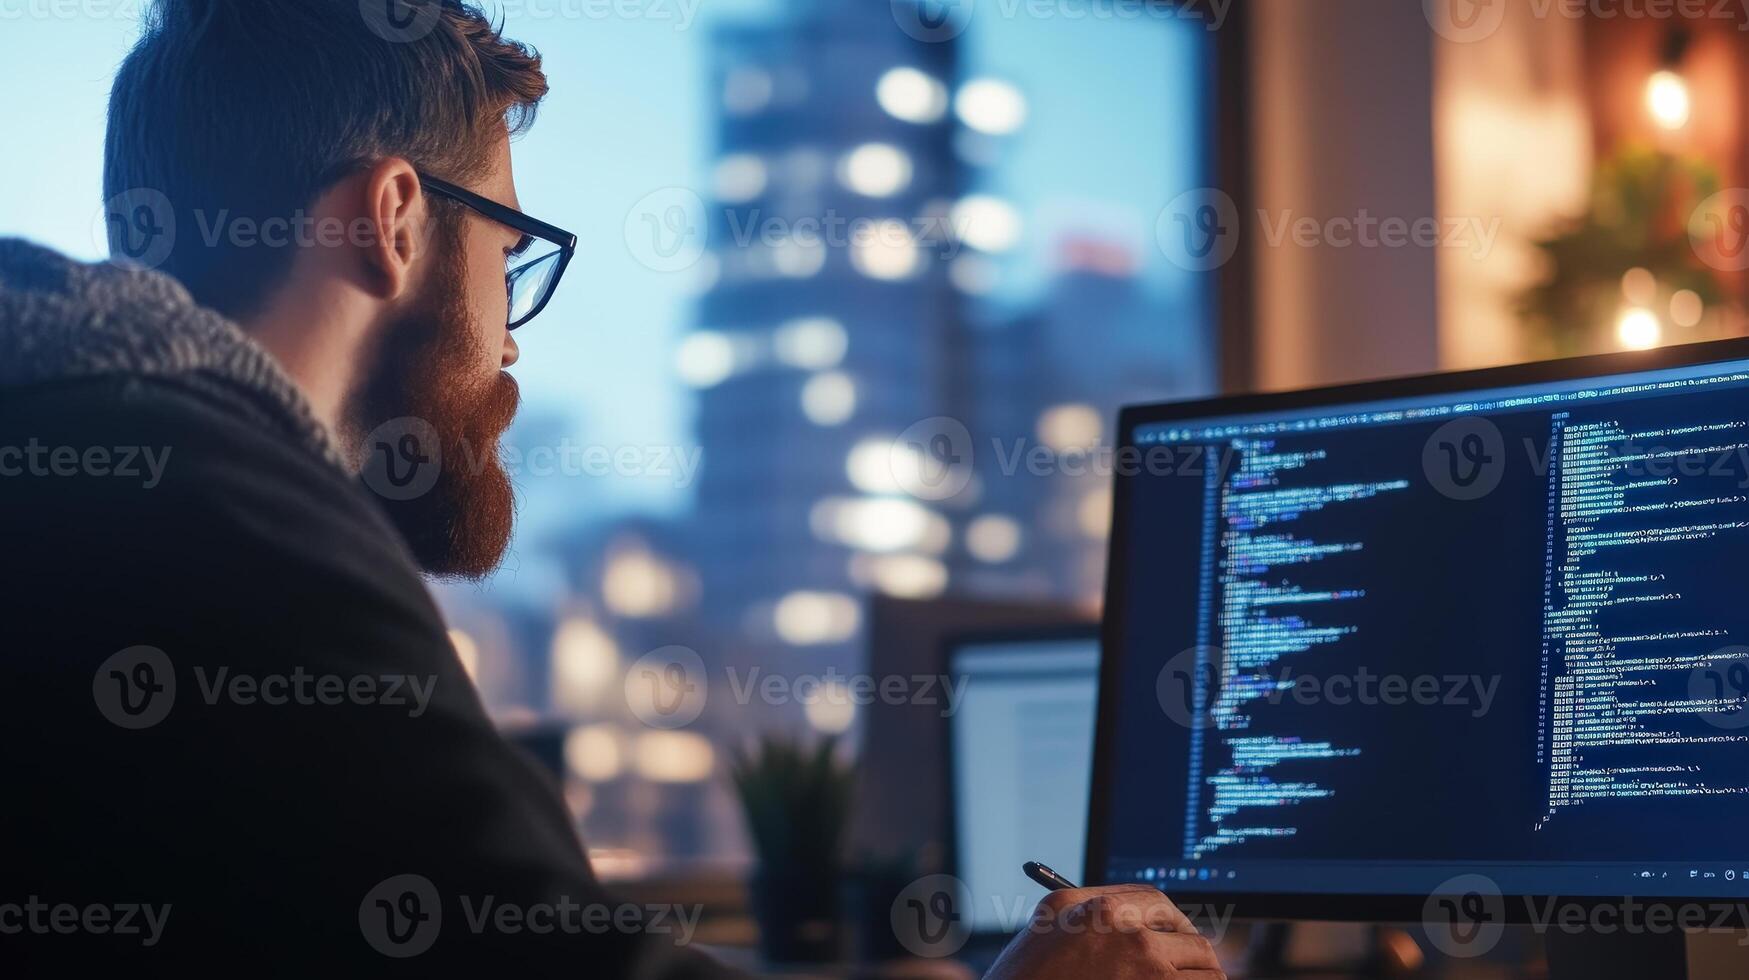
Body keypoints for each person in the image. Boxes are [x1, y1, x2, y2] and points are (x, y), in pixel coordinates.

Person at [0, 1, 1224, 976]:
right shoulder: (238, 538)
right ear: (393, 219)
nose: (510, 338)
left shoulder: (107, 460)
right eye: (508, 255)